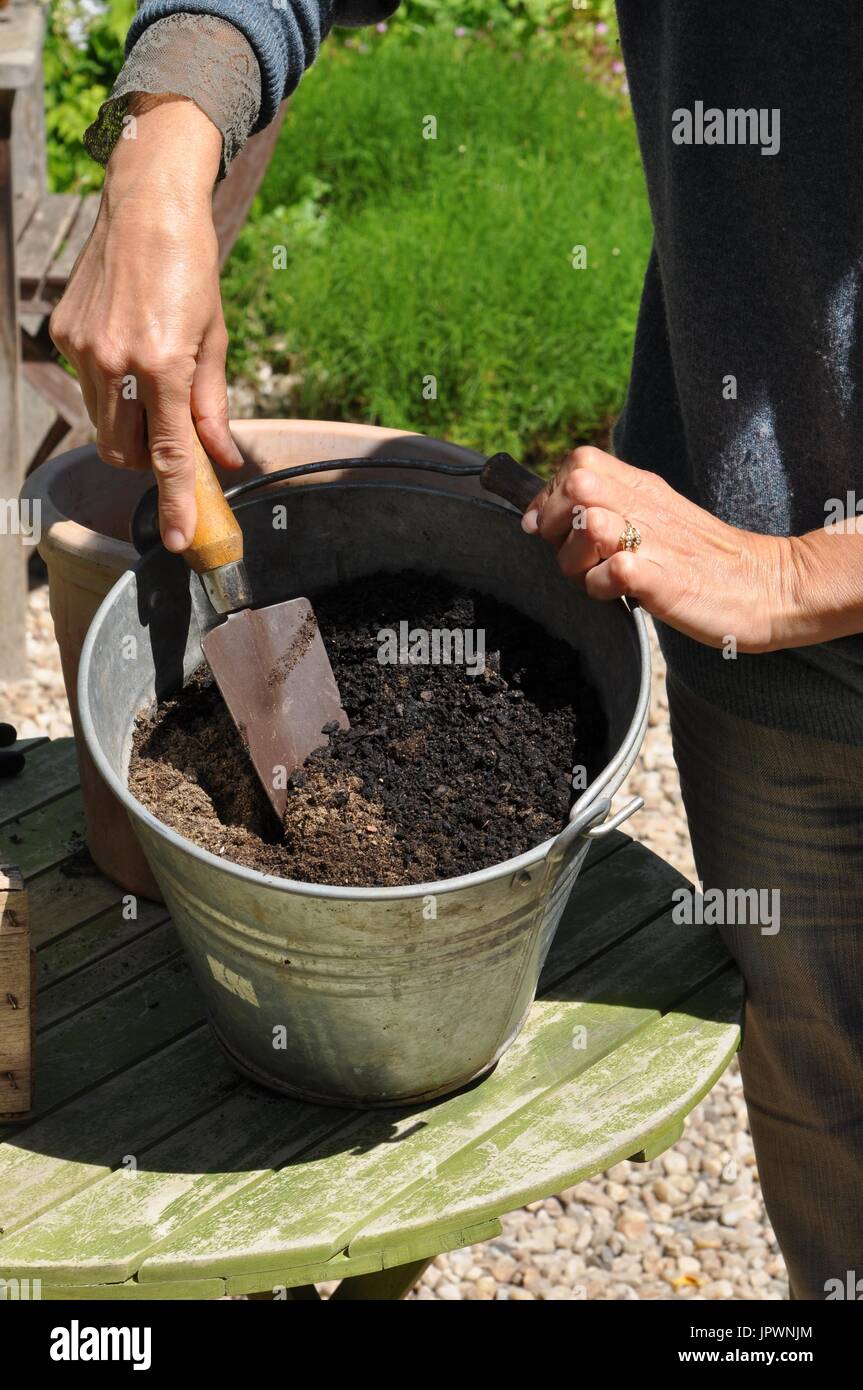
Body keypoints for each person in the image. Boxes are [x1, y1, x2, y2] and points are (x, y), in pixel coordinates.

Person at [50, 2, 863, 1300]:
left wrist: (799, 570)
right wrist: (165, 142)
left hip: (765, 592)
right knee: (831, 1142)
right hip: (760, 670)